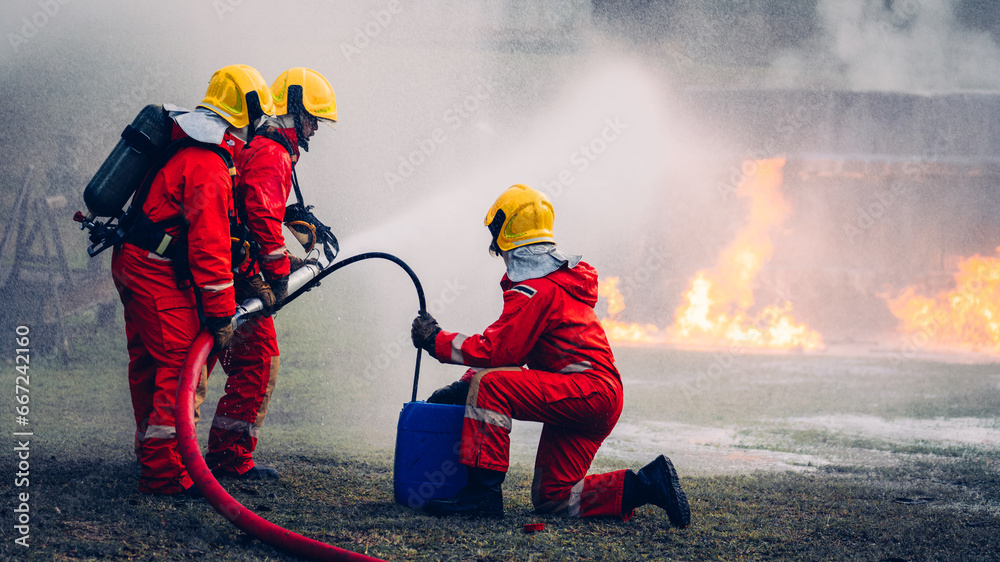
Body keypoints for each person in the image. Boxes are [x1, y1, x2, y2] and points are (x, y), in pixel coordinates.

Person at [410, 184, 690, 527]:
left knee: (491, 385)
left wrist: (436, 340)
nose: (494, 246)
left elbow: (498, 350)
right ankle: (647, 484)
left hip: (584, 391)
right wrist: (462, 386)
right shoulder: (554, 282)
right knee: (554, 497)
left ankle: (481, 496)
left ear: (505, 232)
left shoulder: (535, 289)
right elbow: (517, 351)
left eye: (495, 234)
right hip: (595, 396)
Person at [111, 64, 274, 495]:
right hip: (155, 271)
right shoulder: (208, 164)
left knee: (148, 362)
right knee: (183, 365)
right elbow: (208, 246)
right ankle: (164, 475)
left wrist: (247, 274)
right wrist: (222, 316)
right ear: (247, 115)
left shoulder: (187, 144)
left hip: (136, 261)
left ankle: (153, 452)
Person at [205, 68, 337, 479]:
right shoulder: (273, 152)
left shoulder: (268, 147)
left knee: (203, 362)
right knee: (257, 362)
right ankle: (228, 458)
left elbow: (255, 211)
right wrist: (280, 272)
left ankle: (171, 454)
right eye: (314, 119)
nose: (315, 129)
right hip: (235, 275)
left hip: (225, 270)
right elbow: (259, 213)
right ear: (295, 111)